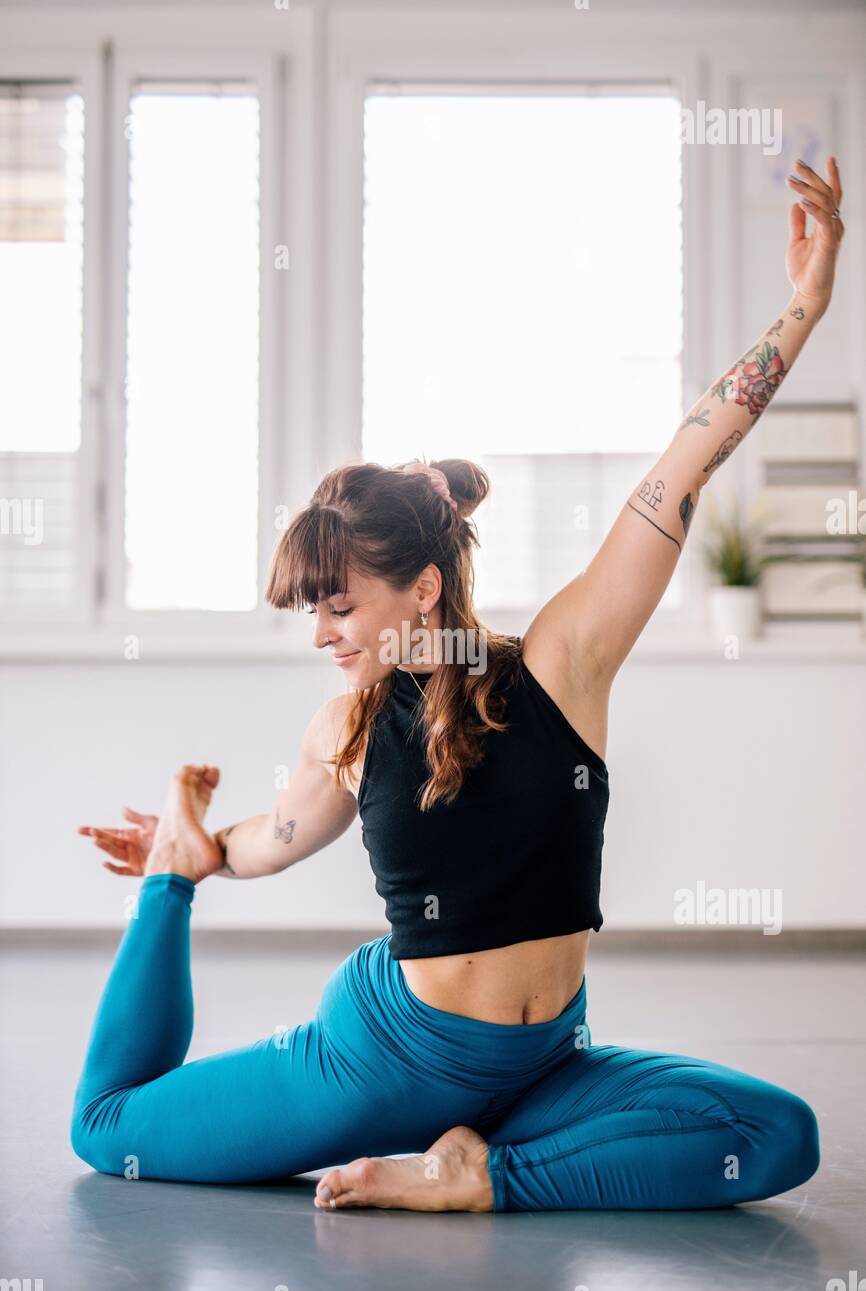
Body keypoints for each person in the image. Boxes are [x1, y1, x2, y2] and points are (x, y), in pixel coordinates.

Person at [73, 157, 844, 1213]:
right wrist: (199, 861)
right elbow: (282, 836)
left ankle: (471, 1175)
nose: (320, 636)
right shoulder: (345, 723)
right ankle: (165, 871)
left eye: (337, 607)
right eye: (310, 612)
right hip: (381, 1061)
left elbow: (680, 468)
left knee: (773, 1134)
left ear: (422, 587)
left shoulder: (561, 664)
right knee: (107, 1129)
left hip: (542, 1067)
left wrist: (802, 306)